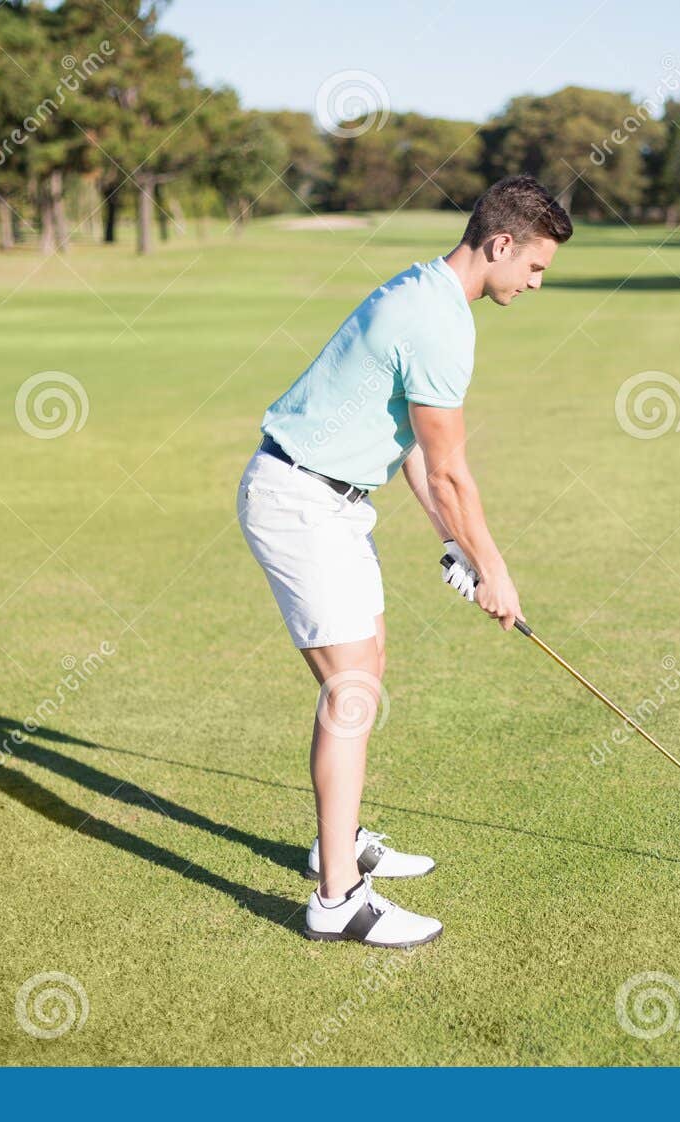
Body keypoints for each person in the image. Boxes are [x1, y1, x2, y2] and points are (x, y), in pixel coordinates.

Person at [237, 175, 573, 948]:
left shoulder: (426, 291)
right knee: (351, 687)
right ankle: (337, 898)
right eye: (535, 267)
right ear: (499, 245)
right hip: (299, 498)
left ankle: (340, 837)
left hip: (336, 499)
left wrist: (452, 541)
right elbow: (453, 470)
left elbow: (421, 452)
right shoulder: (440, 321)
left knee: (365, 667)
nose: (535, 282)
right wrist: (495, 568)